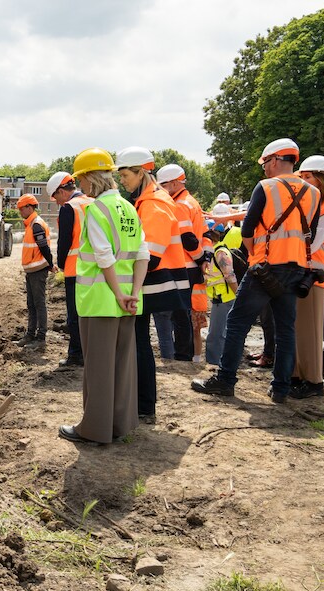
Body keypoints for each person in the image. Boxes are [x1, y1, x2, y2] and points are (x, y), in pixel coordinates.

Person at [193, 138, 321, 403]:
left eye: (265, 163)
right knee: (286, 329)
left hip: (265, 267)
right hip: (296, 268)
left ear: (274, 160)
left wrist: (256, 255)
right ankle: (281, 388)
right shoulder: (314, 193)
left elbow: (248, 231)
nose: (264, 168)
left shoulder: (266, 187)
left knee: (237, 323)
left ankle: (226, 380)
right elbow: (311, 232)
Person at [57, 148, 149, 445]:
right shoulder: (129, 208)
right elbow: (142, 255)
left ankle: (94, 429)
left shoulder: (97, 209)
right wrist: (132, 294)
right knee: (122, 365)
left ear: (92, 178)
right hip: (128, 302)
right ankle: (120, 425)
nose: (80, 186)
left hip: (101, 301)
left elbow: (103, 257)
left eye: (82, 179)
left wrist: (119, 294)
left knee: (98, 368)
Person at [116, 147, 186, 423]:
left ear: (140, 172)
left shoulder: (154, 203)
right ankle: (142, 403)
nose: (122, 181)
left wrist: (127, 283)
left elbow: (151, 255)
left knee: (139, 343)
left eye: (125, 175)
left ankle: (144, 405)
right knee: (139, 341)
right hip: (151, 283)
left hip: (153, 283)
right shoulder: (147, 201)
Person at [287, 156, 324, 399]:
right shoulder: (313, 206)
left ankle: (314, 382)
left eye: (308, 177)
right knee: (298, 330)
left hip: (314, 278)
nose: (304, 182)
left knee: (310, 333)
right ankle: (298, 376)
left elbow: (312, 241)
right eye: (302, 177)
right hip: (302, 275)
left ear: (321, 179)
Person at [157, 164, 208, 362]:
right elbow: (204, 235)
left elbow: (187, 238)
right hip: (193, 266)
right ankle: (185, 354)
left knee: (180, 315)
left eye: (164, 185)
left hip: (184, 265)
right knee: (184, 313)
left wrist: (199, 257)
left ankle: (182, 355)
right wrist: (204, 258)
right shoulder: (192, 202)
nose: (161, 189)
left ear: (175, 183)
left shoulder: (179, 205)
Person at [48, 171, 92, 367]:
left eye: (55, 196)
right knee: (92, 314)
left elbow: (64, 242)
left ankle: (76, 355)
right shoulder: (93, 202)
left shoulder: (69, 208)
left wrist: (62, 265)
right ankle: (92, 353)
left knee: (74, 316)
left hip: (76, 270)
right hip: (96, 269)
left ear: (61, 191)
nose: (56, 202)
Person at [17, 194, 54, 349]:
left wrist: (51, 264)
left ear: (29, 207)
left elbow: (44, 247)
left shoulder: (36, 224)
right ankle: (30, 334)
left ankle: (40, 337)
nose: (20, 212)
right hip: (32, 270)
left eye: (21, 209)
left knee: (39, 303)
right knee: (31, 304)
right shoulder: (31, 224)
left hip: (38, 270)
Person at [204, 221, 240, 365]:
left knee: (216, 335)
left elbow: (230, 276)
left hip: (224, 299)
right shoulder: (214, 252)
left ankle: (214, 364)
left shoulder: (220, 253)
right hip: (220, 298)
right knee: (218, 333)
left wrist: (238, 296)